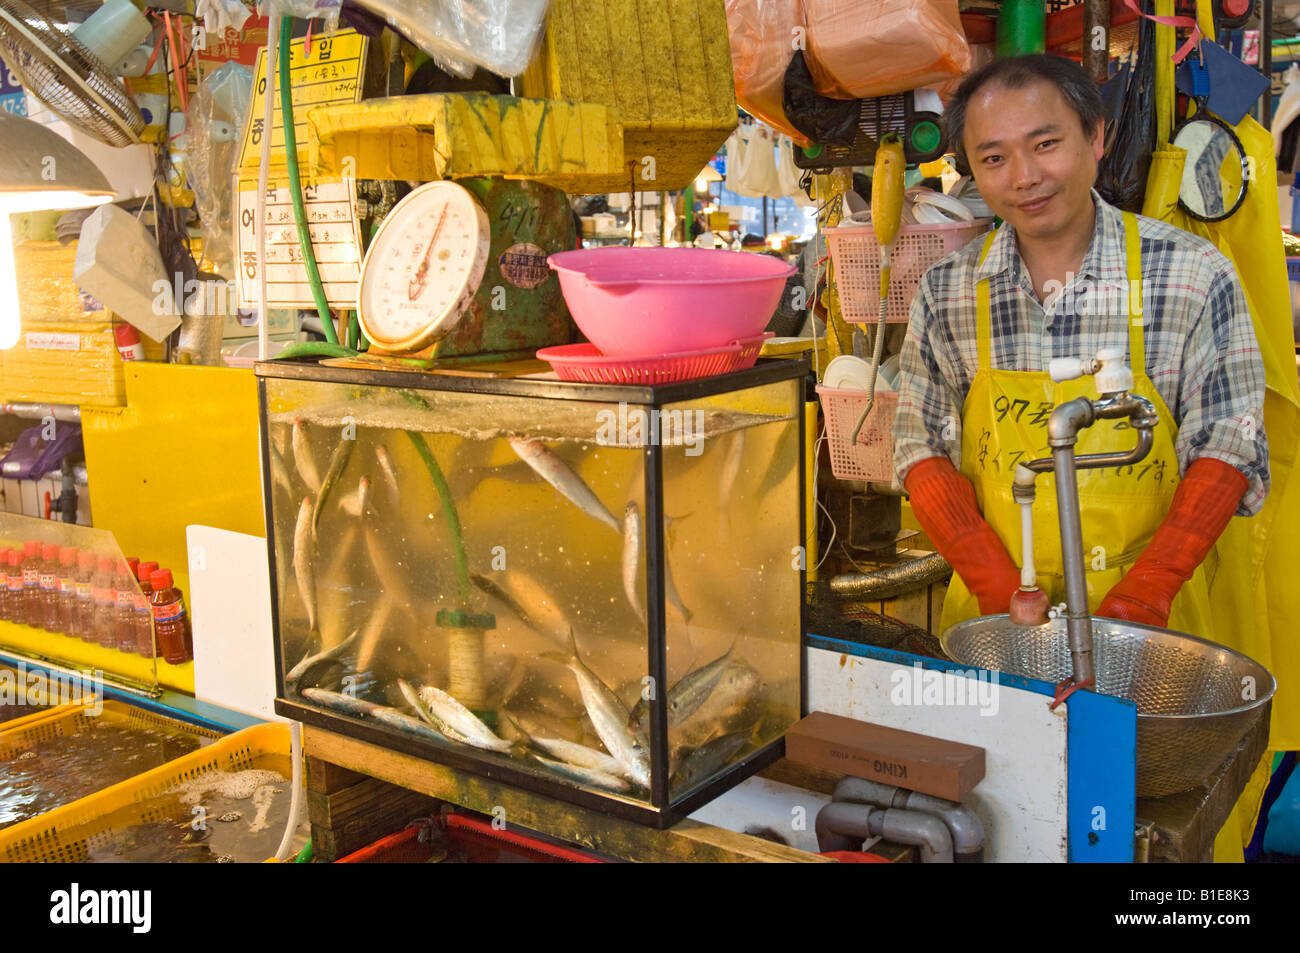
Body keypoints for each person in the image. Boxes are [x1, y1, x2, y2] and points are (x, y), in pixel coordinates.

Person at [892, 55, 1270, 857]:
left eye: (1045, 144)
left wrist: (1148, 593)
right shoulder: (949, 293)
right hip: (998, 640)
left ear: (1097, 139)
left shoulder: (1191, 274)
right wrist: (999, 591)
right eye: (993, 158)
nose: (1023, 176)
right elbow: (919, 446)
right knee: (1000, 830)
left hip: (1156, 652)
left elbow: (1230, 444)